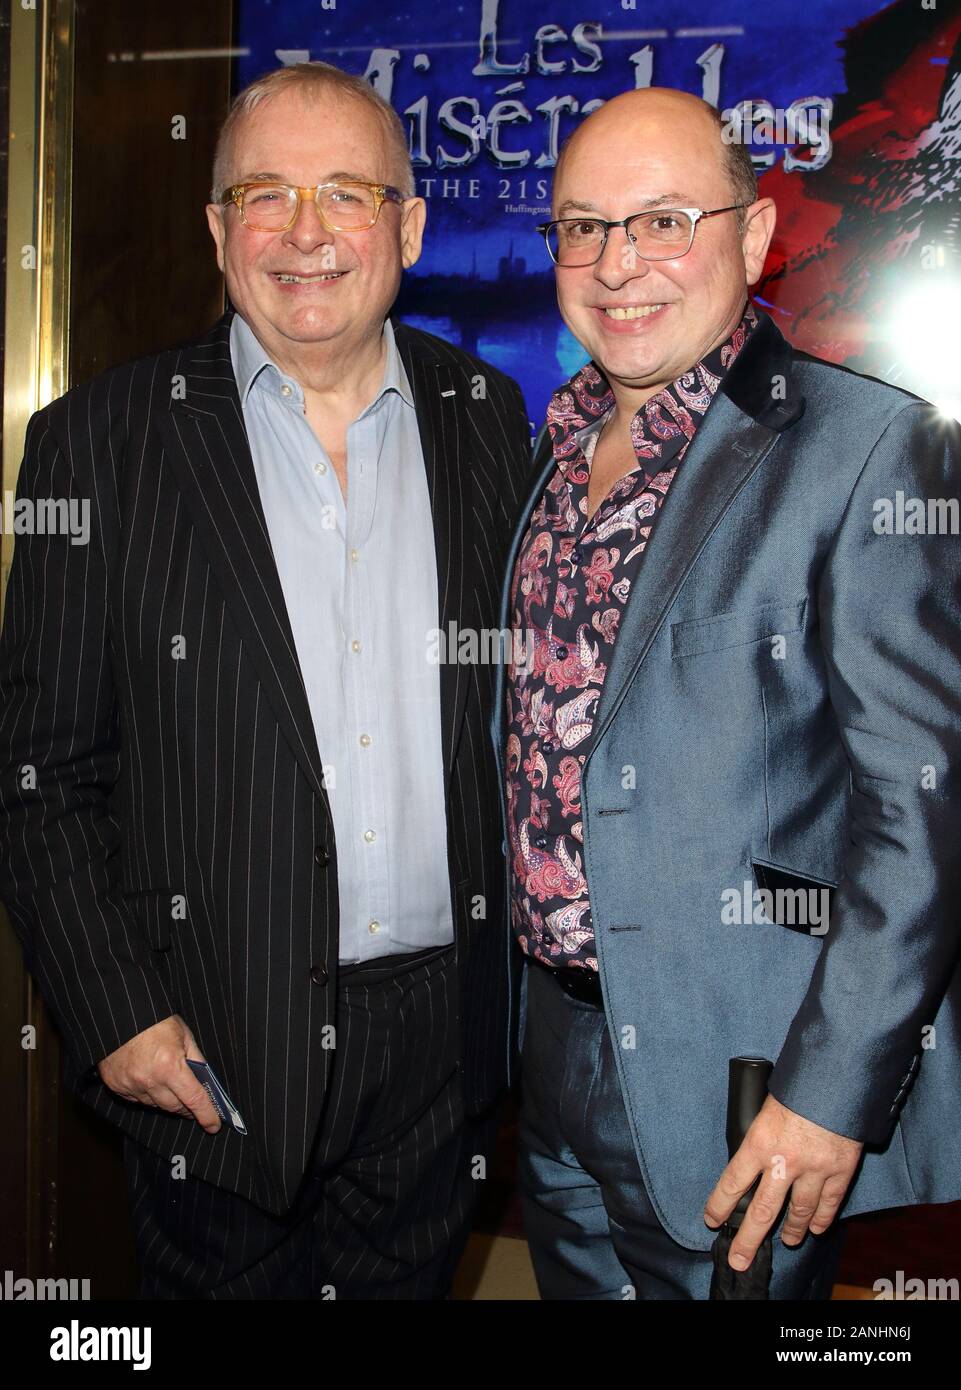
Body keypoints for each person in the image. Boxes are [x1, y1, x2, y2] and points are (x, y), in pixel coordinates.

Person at [0, 61, 531, 1299]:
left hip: (438, 1052)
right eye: (264, 193)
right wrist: (114, 1010)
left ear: (406, 225)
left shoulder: (489, 417)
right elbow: (39, 775)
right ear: (215, 229)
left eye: (346, 193)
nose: (303, 233)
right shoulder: (100, 442)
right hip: (208, 1040)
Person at [494, 85, 961, 1300]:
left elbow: (919, 811)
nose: (617, 264)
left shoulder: (865, 449)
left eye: (663, 221)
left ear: (753, 241)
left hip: (744, 1075)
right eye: (583, 226)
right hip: (546, 1051)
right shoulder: (547, 459)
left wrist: (830, 1092)